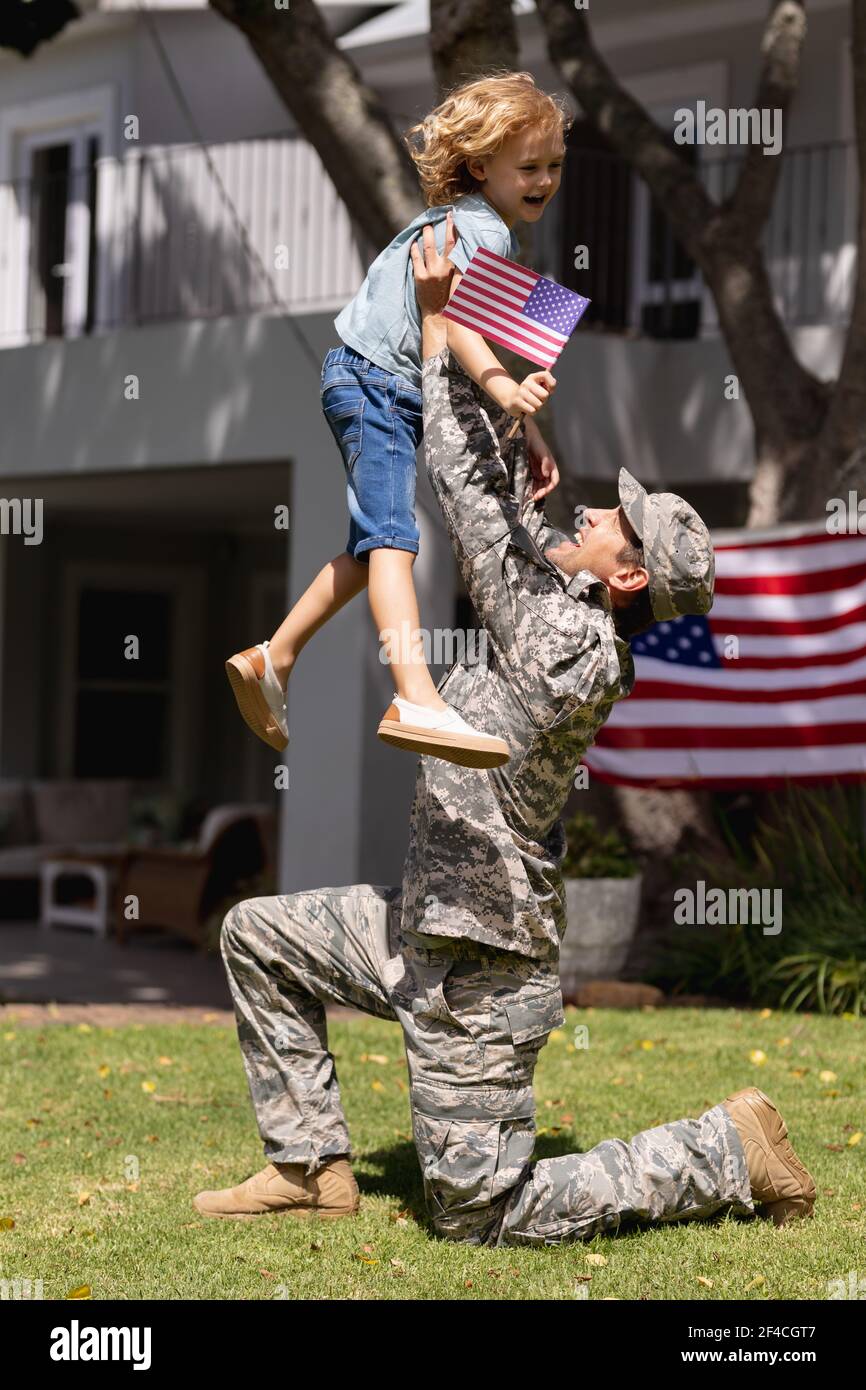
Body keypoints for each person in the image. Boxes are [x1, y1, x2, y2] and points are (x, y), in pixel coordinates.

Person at [194, 215, 816, 1244]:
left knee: (482, 1211)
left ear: (624, 576)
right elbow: (521, 524)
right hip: (422, 925)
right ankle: (307, 1165)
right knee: (257, 937)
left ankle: (722, 1149)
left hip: (477, 970)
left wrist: (440, 334)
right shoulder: (568, 614)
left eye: (610, 522)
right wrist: (515, 420)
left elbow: (469, 506)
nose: (589, 513)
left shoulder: (566, 644)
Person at [224, 71, 571, 770]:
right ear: (481, 167)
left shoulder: (476, 228)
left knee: (367, 549)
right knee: (393, 539)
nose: (544, 181)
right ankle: (414, 691)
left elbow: (483, 336)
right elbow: (466, 332)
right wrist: (506, 394)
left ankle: (274, 655)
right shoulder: (481, 232)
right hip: (376, 383)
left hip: (365, 379)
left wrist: (525, 431)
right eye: (528, 167)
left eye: (555, 166)